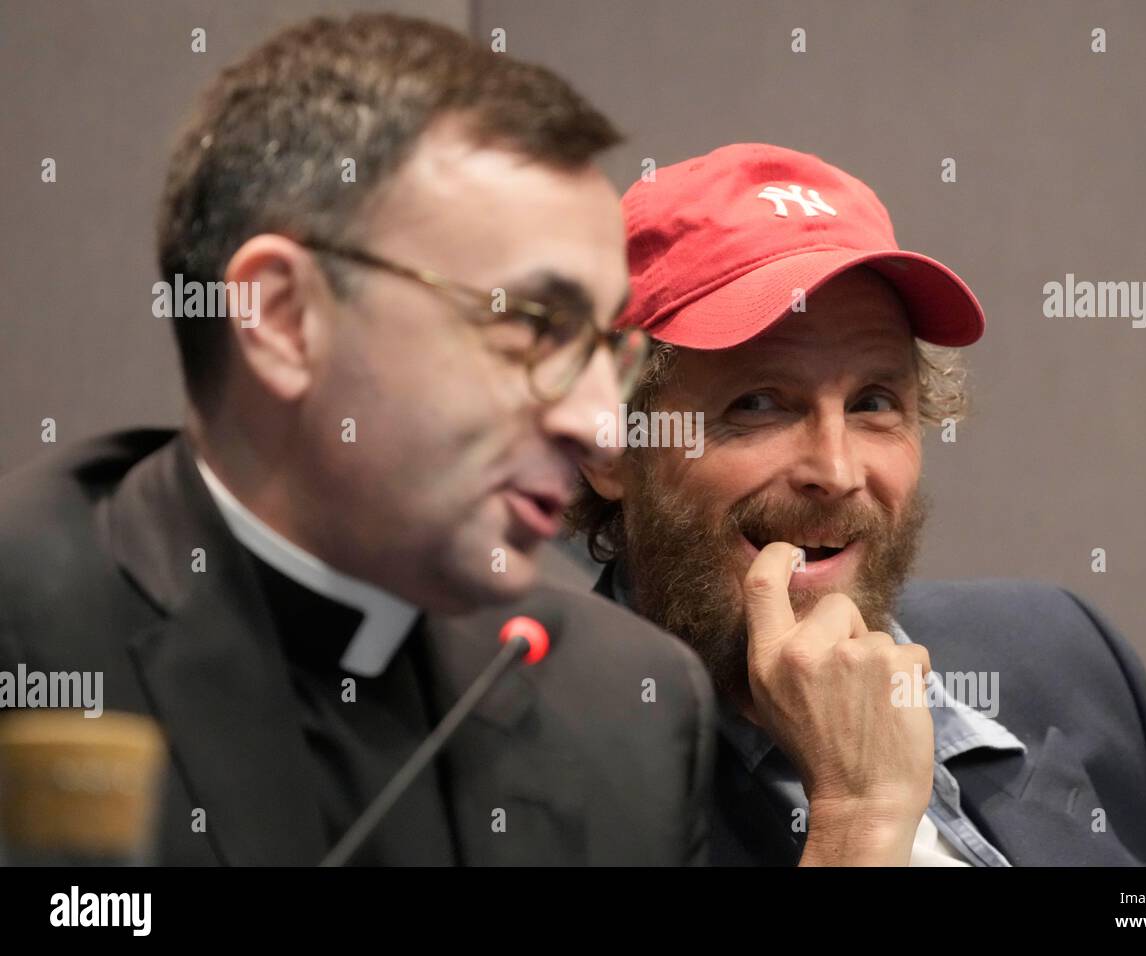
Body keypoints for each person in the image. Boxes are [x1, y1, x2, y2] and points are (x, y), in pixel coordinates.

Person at [0, 14, 714, 865]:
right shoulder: (28, 632)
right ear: (284, 317)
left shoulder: (633, 706)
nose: (600, 421)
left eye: (606, 349)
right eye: (534, 327)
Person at [569, 142, 1146, 865]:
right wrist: (857, 824)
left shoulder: (1056, 652)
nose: (836, 468)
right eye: (757, 403)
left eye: (874, 402)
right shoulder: (539, 781)